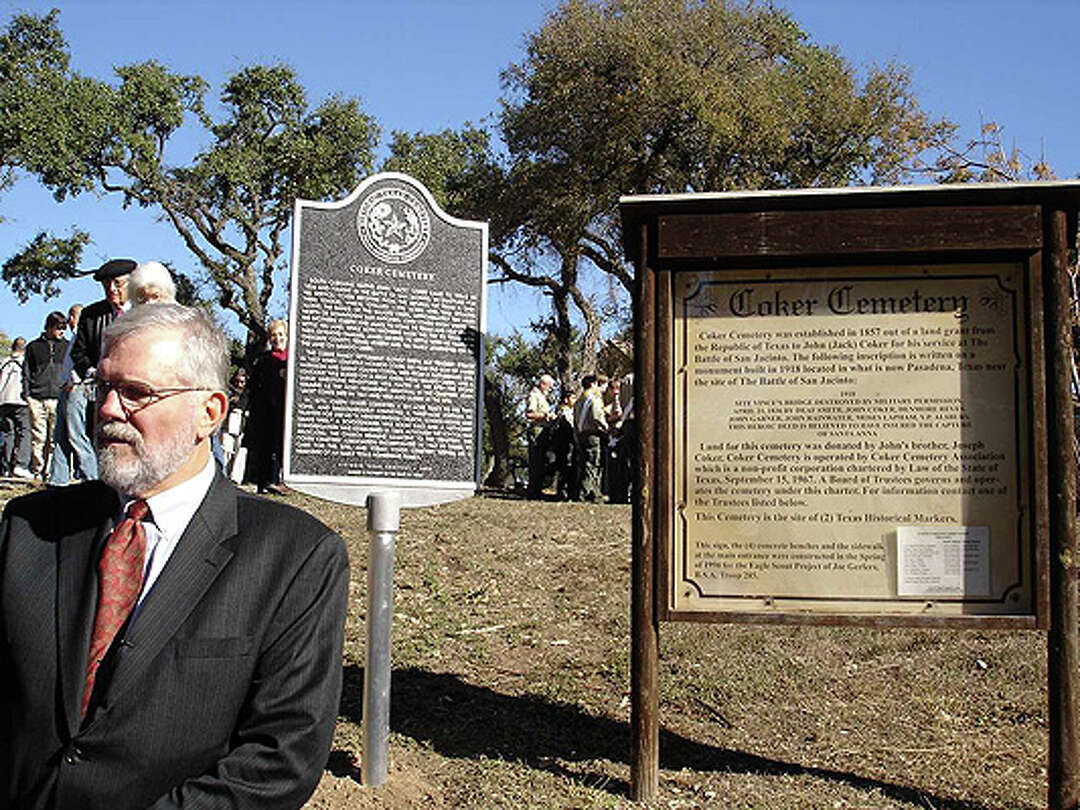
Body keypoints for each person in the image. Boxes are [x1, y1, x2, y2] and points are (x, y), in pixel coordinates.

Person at [0, 302, 349, 809]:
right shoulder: (30, 527)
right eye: (104, 388)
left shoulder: (296, 557)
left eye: (137, 393)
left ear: (210, 412)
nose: (108, 410)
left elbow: (280, 759)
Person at [69, 258, 135, 480]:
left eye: (117, 283)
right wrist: (91, 371)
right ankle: (99, 479)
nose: (111, 290)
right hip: (100, 388)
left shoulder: (145, 312)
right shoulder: (91, 315)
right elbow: (79, 351)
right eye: (106, 285)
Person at [48, 304, 93, 487]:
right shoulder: (74, 338)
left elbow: (82, 361)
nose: (69, 322)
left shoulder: (84, 338)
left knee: (76, 434)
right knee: (60, 435)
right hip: (65, 387)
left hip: (77, 388)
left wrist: (75, 382)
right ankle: (58, 478)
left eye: (71, 317)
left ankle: (91, 476)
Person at [244, 318, 289, 494]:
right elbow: (252, 387)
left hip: (286, 412)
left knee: (284, 447)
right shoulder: (263, 361)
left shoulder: (294, 359)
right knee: (265, 447)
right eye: (273, 335)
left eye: (280, 334)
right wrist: (242, 407)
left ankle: (284, 482)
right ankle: (264, 482)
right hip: (266, 412)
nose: (277, 338)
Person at [23, 311, 69, 480]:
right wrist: (27, 394)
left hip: (58, 396)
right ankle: (37, 470)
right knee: (38, 437)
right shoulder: (33, 347)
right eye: (58, 328)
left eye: (63, 328)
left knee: (54, 438)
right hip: (36, 397)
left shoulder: (67, 346)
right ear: (49, 327)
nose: (62, 332)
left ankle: (50, 471)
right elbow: (26, 372)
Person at [573, 374, 609, 503]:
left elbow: (575, 421)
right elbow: (597, 417)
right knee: (594, 463)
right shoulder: (594, 399)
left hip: (581, 434)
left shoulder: (578, 401)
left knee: (584, 464)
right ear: (593, 384)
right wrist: (606, 428)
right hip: (593, 434)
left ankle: (588, 493)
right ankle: (587, 493)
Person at [0, 337, 32, 479]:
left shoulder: (4, 362)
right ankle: (21, 464)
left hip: (3, 400)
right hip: (19, 400)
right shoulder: (24, 361)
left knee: (8, 433)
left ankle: (6, 466)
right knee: (25, 431)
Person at [525, 373, 556, 498]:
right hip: (537, 430)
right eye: (550, 386)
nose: (551, 389)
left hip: (544, 430)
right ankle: (534, 491)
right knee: (536, 460)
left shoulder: (542, 396)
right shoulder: (534, 396)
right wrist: (545, 416)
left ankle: (537, 489)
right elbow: (529, 414)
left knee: (543, 460)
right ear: (543, 384)